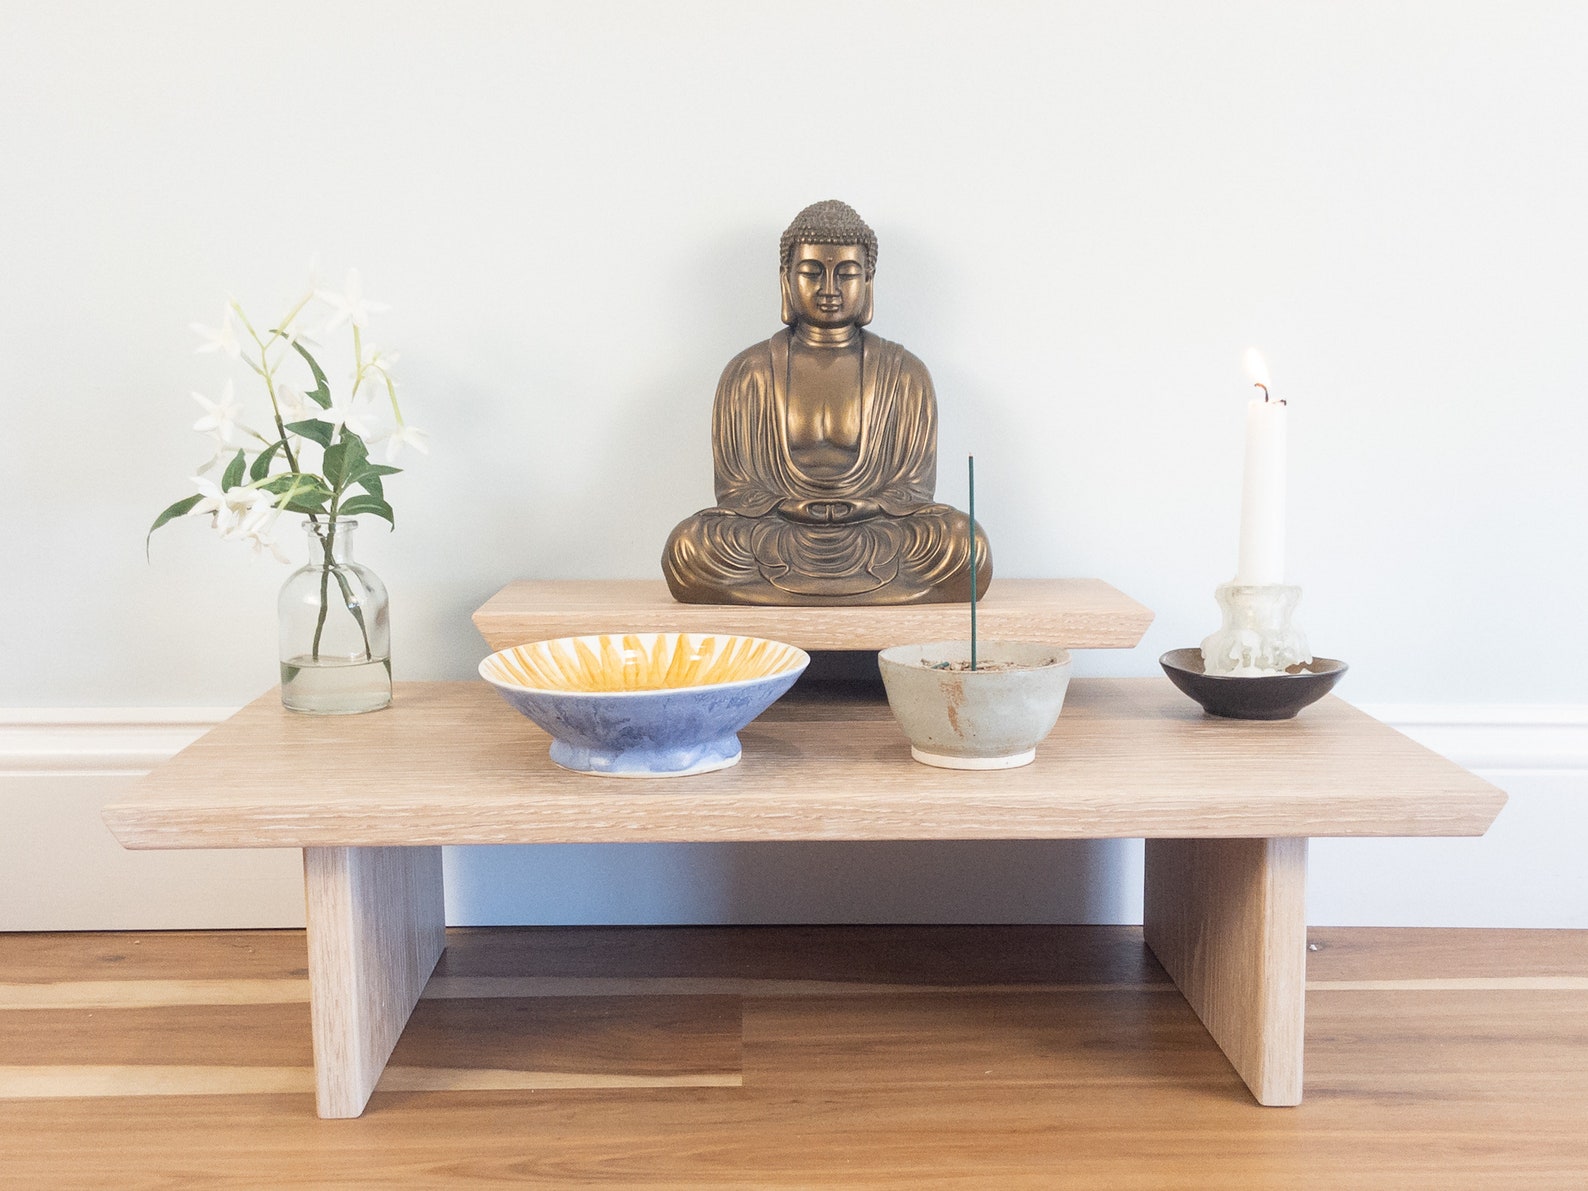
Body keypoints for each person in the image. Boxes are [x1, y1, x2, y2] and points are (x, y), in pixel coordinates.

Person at [662, 200, 992, 605]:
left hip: (875, 530)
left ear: (868, 280)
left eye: (847, 273)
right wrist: (789, 505)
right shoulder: (749, 372)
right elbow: (736, 489)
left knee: (963, 544)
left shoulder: (905, 373)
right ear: (786, 278)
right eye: (812, 272)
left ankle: (781, 595)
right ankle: (860, 593)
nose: (829, 289)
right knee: (690, 547)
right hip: (778, 530)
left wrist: (866, 505)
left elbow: (913, 488)